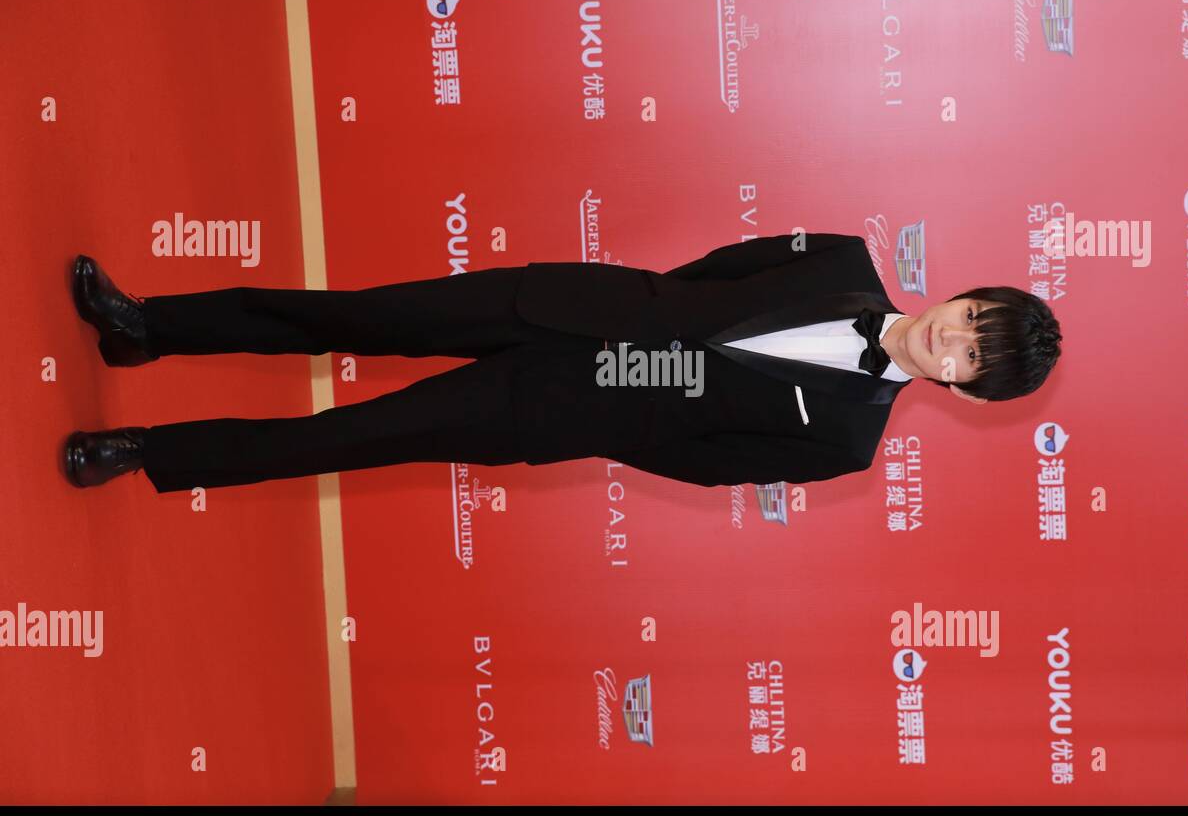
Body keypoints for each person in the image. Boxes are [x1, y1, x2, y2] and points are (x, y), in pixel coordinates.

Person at [63, 232, 1062, 492]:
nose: (955, 336)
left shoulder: (845, 438)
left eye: (975, 356)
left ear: (966, 388)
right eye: (974, 317)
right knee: (347, 315)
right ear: (964, 294)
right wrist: (643, 313)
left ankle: (150, 449)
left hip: (558, 407)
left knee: (345, 437)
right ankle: (146, 325)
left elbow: (710, 463)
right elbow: (713, 272)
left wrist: (617, 412)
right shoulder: (841, 257)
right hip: (559, 304)